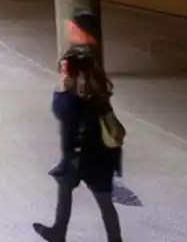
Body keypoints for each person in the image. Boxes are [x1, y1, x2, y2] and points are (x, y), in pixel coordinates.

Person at [33, 46, 123, 242]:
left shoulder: (77, 95)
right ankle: (114, 239)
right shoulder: (97, 89)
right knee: (103, 201)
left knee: (68, 187)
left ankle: (59, 232)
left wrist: (63, 90)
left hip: (80, 157)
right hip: (101, 159)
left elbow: (62, 112)